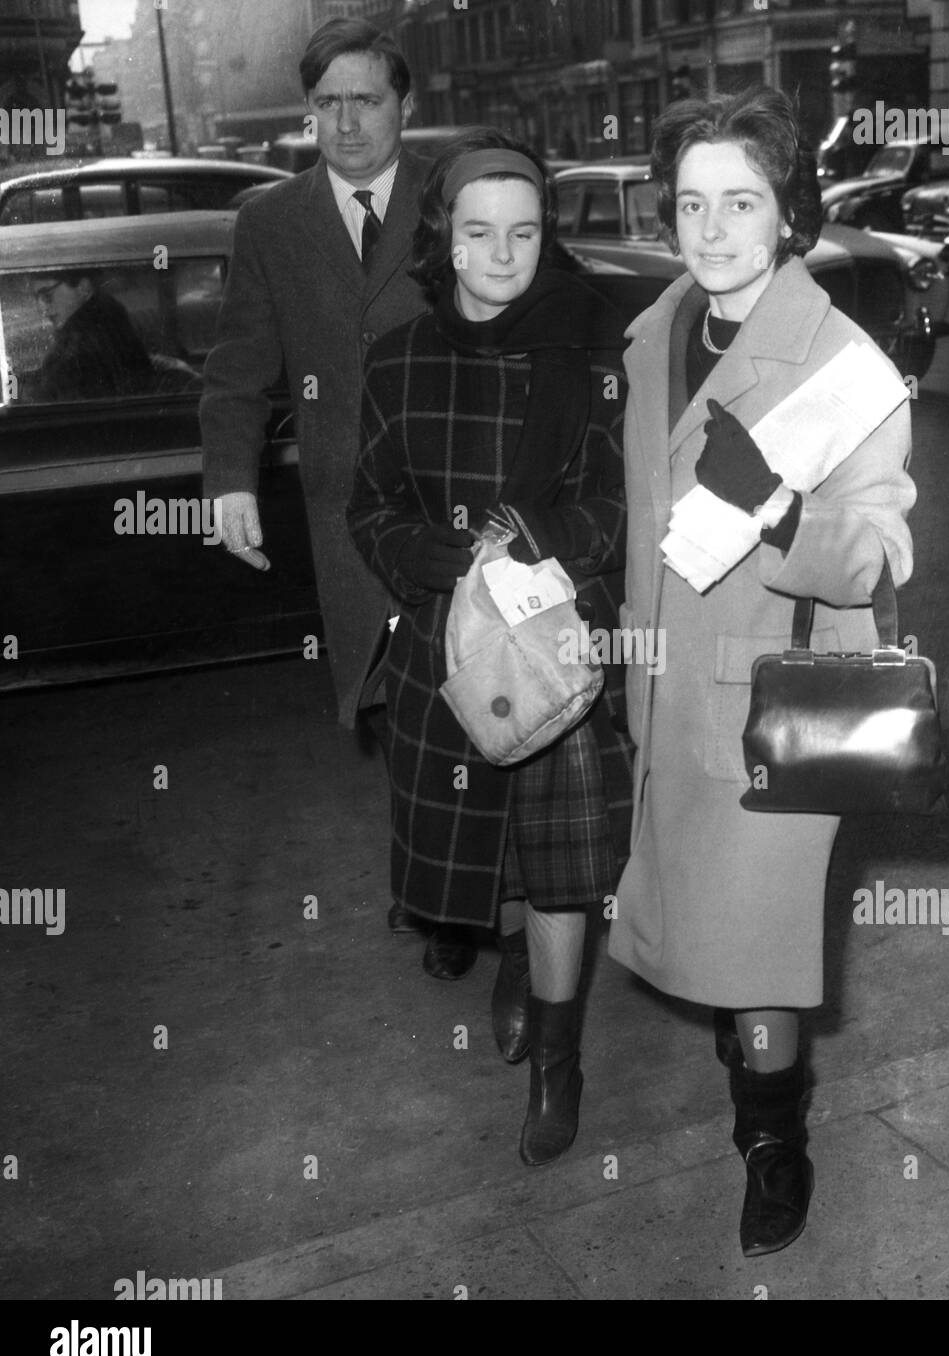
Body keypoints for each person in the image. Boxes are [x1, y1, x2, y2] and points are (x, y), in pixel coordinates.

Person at [608, 87, 917, 1256]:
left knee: (757, 964)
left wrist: (778, 508)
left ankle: (775, 1147)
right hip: (660, 689)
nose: (713, 227)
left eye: (742, 201)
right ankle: (758, 1093)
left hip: (762, 705)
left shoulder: (839, 362)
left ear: (791, 215)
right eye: (691, 202)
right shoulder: (655, 332)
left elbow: (882, 550)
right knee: (706, 945)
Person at [347, 129, 633, 1165]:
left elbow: (621, 505)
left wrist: (541, 538)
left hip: (557, 650)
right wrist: (438, 556)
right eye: (480, 233)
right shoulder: (396, 362)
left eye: (525, 231)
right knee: (479, 852)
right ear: (445, 242)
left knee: (558, 863)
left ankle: (559, 1065)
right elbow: (368, 509)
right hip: (446, 654)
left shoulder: (592, 352)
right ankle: (510, 955)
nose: (505, 254)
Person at [199, 19, 466, 975]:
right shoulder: (270, 223)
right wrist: (229, 478)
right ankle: (436, 891)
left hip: (456, 503)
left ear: (407, 106)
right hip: (346, 519)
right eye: (328, 103)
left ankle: (491, 905)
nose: (346, 122)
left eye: (366, 100)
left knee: (480, 693)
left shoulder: (455, 201)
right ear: (308, 110)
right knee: (394, 706)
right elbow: (238, 368)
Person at [30, 271, 155, 402]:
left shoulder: (83, 344)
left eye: (47, 295)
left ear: (84, 288)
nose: (42, 309)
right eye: (37, 298)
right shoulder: (107, 321)